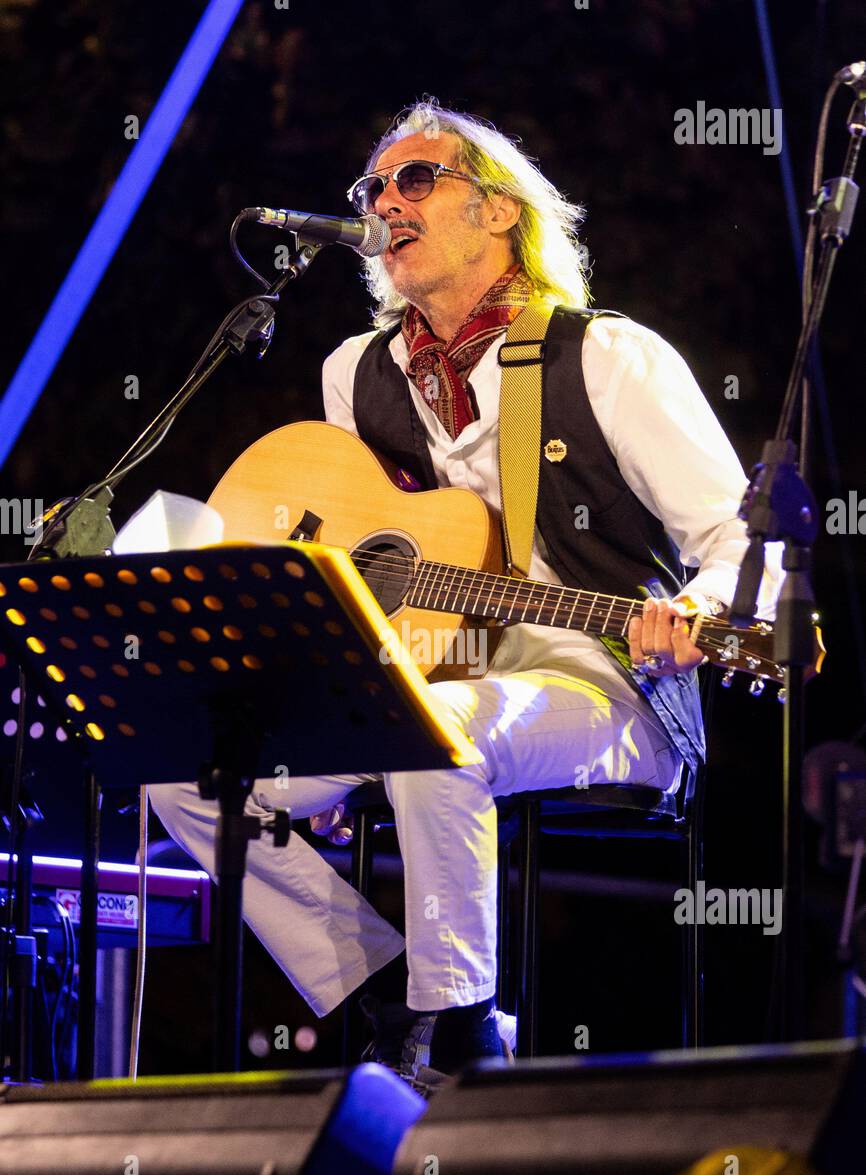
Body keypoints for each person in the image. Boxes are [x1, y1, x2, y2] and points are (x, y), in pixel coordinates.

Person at [149, 99, 779, 1091]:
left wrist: (698, 614)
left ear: (497, 212)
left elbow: (741, 547)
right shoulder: (353, 372)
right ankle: (384, 984)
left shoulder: (606, 356)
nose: (382, 203)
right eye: (370, 188)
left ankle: (460, 1037)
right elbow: (358, 531)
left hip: (605, 683)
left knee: (431, 729)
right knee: (180, 766)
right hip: (434, 673)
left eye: (414, 180)